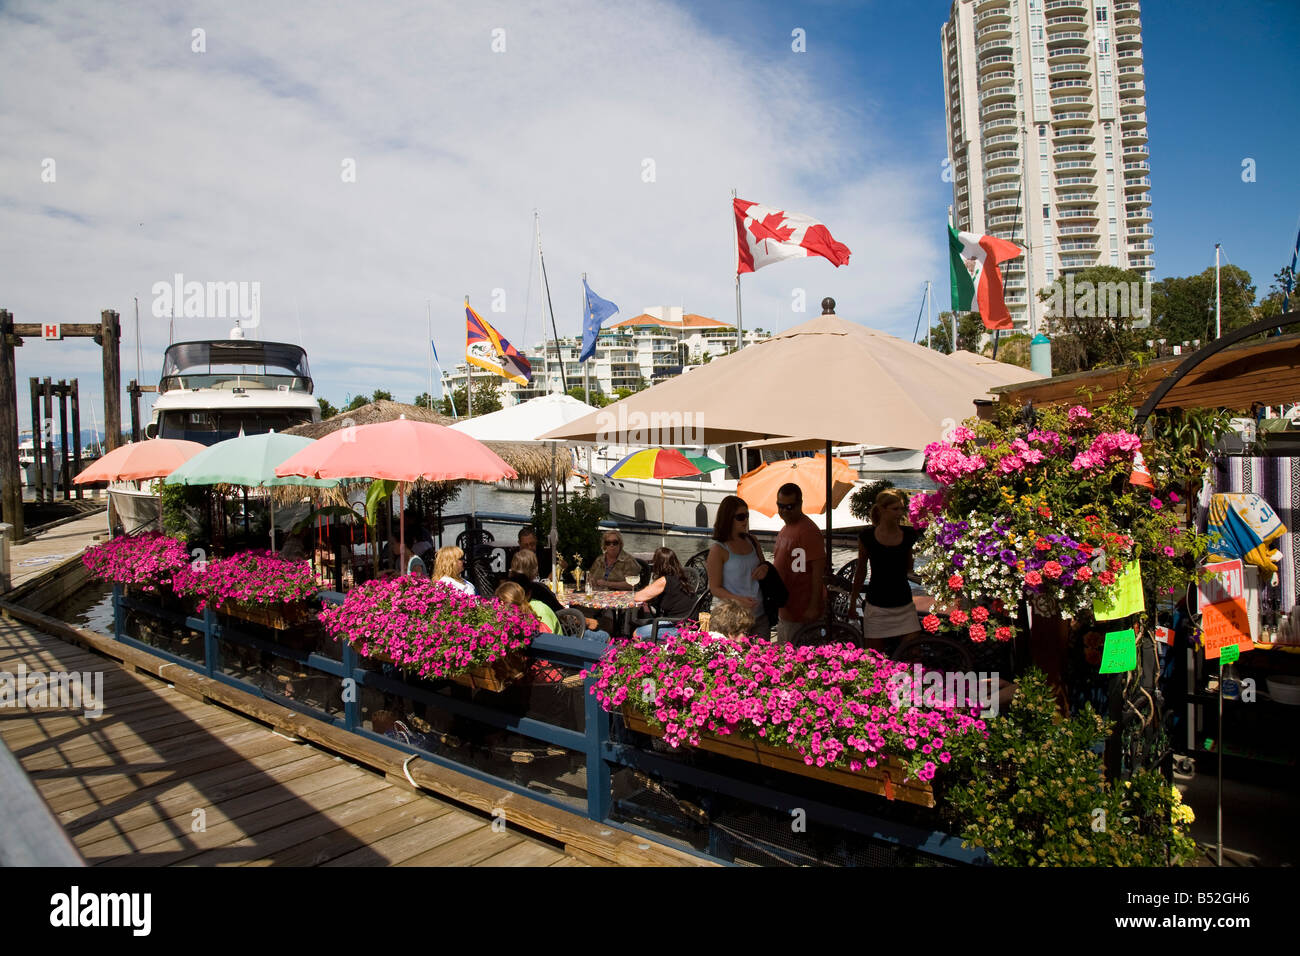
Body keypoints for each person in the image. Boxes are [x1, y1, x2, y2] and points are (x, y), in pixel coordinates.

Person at [850, 490, 921, 652]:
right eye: (895, 509)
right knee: (874, 660)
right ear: (882, 509)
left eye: (902, 509)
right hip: (877, 606)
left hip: (904, 603)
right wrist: (853, 601)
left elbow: (909, 569)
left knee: (913, 655)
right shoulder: (867, 537)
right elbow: (860, 572)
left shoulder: (909, 535)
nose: (900, 513)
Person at [706, 495, 771, 640]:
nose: (745, 520)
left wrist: (764, 568)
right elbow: (715, 588)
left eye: (747, 515)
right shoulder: (718, 550)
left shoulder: (752, 540)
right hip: (734, 621)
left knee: (764, 659)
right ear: (728, 519)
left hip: (759, 616)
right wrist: (738, 600)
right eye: (740, 517)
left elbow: (764, 565)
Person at [773, 482, 825, 644]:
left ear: (800, 504)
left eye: (789, 507)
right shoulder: (785, 529)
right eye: (780, 506)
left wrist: (813, 606)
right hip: (787, 610)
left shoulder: (808, 531)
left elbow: (818, 571)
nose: (784, 511)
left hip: (802, 612)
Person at [633, 547, 697, 639]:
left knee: (637, 633)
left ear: (657, 564)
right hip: (690, 623)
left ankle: (649, 652)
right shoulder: (681, 577)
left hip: (677, 626)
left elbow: (638, 597)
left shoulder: (665, 580)